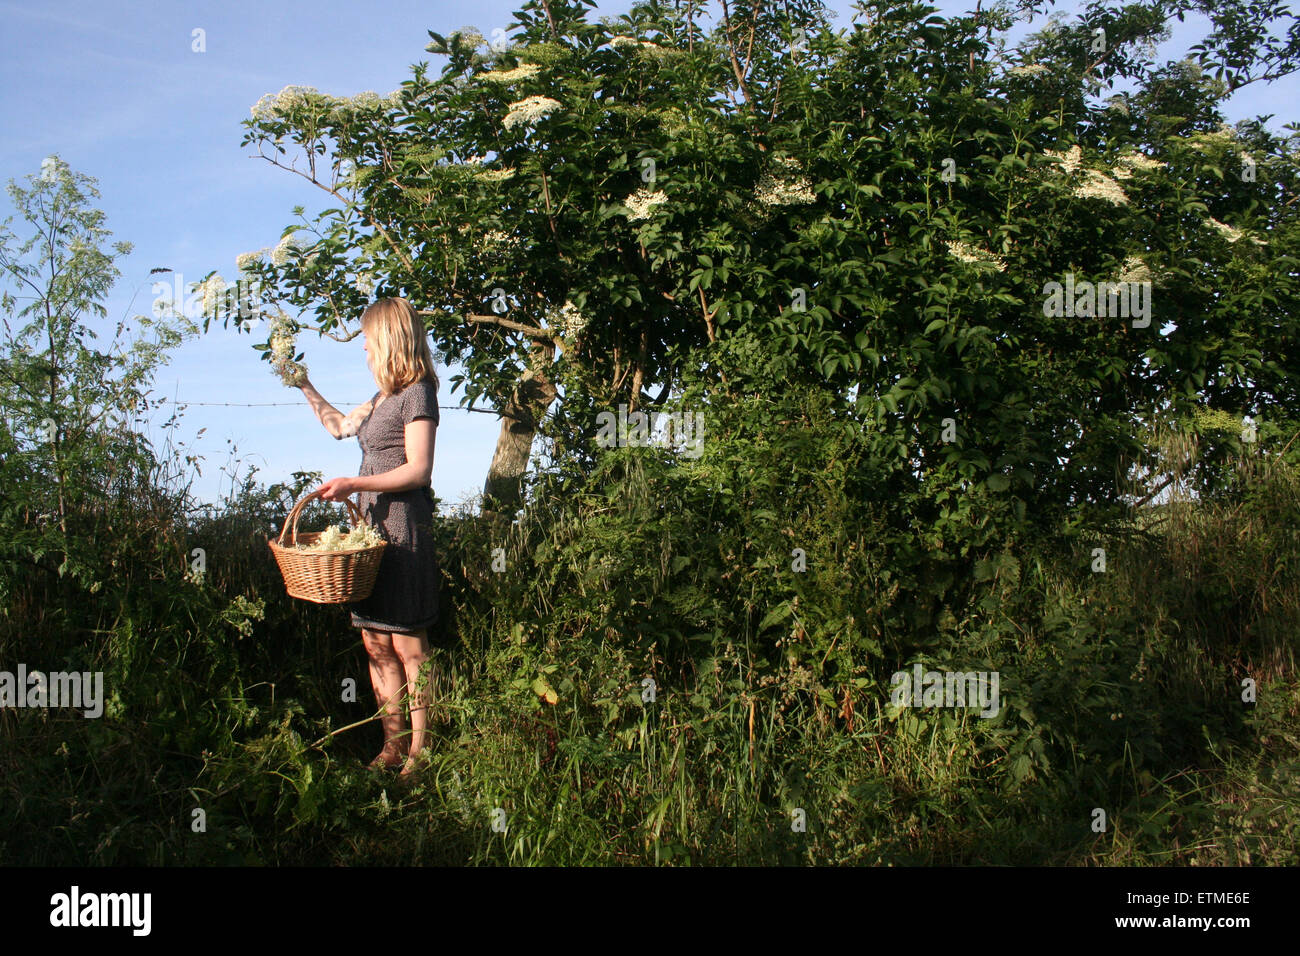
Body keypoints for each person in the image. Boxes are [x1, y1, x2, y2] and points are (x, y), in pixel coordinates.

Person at [298, 297, 441, 776]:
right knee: (376, 641)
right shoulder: (381, 397)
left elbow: (419, 469)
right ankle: (392, 744)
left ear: (388, 337)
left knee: (408, 644)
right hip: (371, 532)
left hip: (403, 527)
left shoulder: (417, 392)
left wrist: (354, 483)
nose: (362, 346)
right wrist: (304, 384)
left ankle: (421, 753)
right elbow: (340, 427)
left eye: (366, 338)